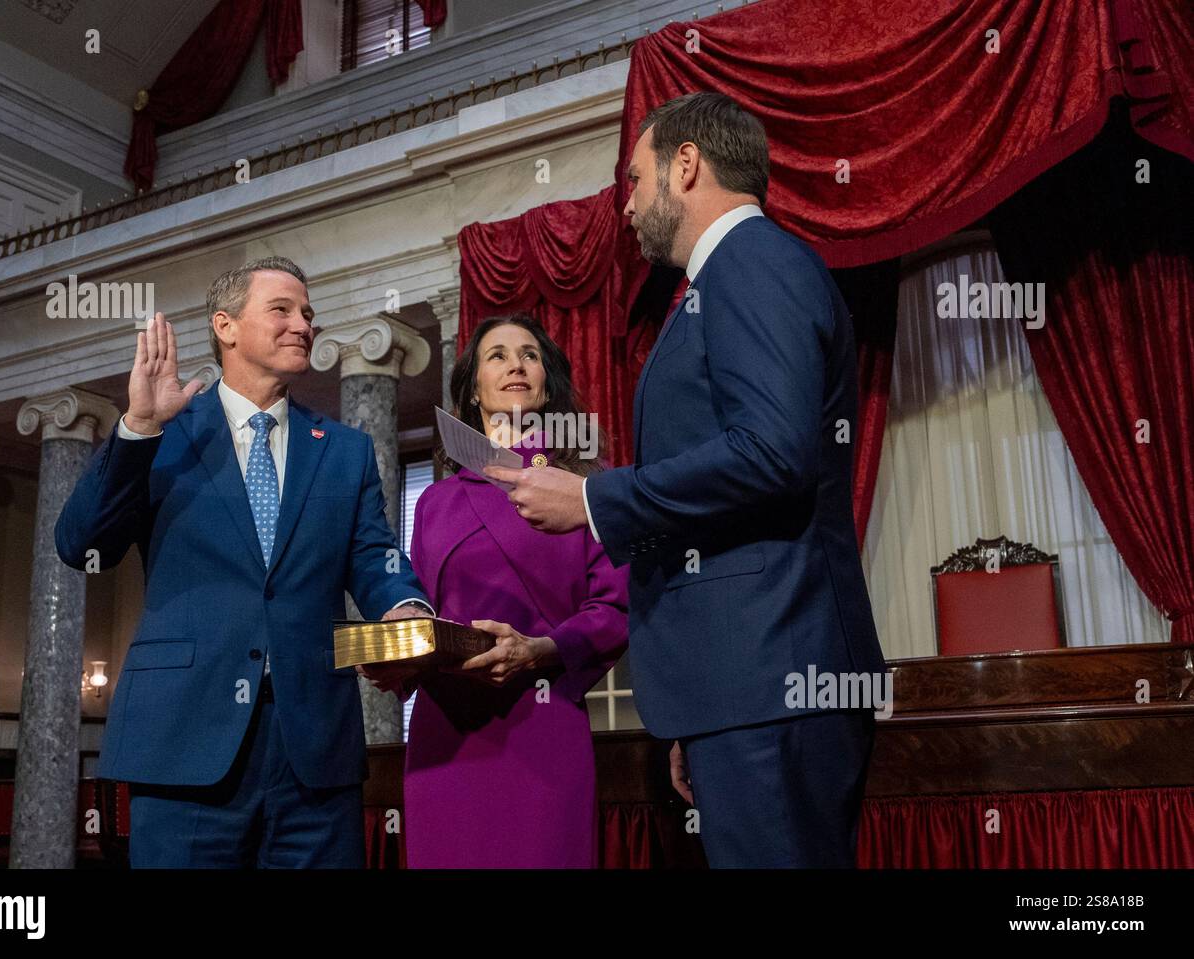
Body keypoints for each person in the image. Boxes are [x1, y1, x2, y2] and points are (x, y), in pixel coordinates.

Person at [487, 93, 888, 867]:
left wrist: (595, 499)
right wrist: (704, 714)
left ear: (687, 163)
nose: (627, 206)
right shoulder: (729, 275)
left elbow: (772, 450)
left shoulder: (751, 260)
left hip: (771, 674)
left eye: (633, 182)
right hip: (743, 686)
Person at [56, 256, 432, 868]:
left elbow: (376, 555)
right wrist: (138, 426)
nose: (303, 325)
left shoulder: (345, 450)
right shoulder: (164, 434)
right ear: (225, 326)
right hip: (185, 742)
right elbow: (80, 545)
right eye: (281, 310)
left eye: (308, 314)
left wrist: (404, 610)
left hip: (313, 751)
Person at [365, 314, 628, 868]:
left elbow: (615, 610)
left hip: (542, 720)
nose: (516, 364)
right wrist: (401, 659)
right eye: (497, 355)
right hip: (446, 736)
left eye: (530, 355)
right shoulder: (434, 502)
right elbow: (426, 613)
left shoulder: (584, 487)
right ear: (472, 389)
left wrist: (538, 649)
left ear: (548, 384)